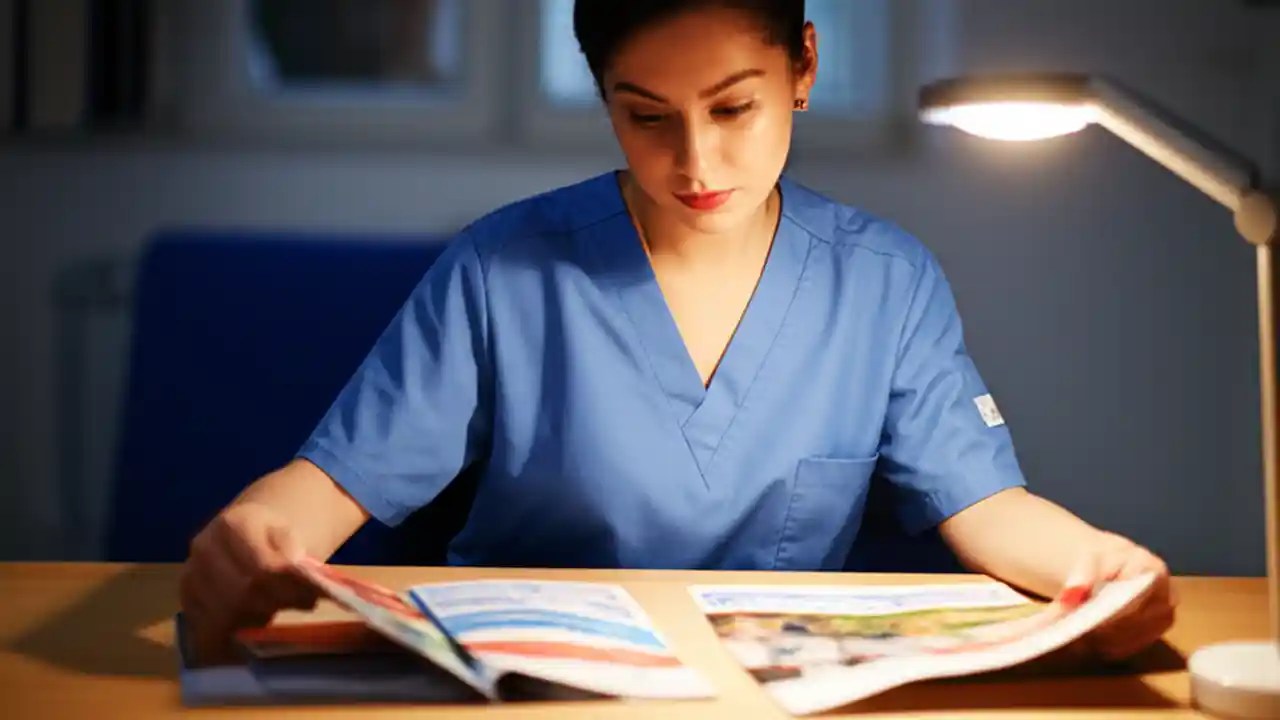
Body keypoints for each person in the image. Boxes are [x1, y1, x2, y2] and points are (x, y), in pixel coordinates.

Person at [181, 0, 1176, 665]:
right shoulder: (500, 270)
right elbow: (326, 488)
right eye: (646, 115)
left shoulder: (883, 281)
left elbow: (983, 504)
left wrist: (1100, 570)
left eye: (732, 107)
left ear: (803, 67)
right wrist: (257, 535)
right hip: (530, 691)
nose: (695, 161)